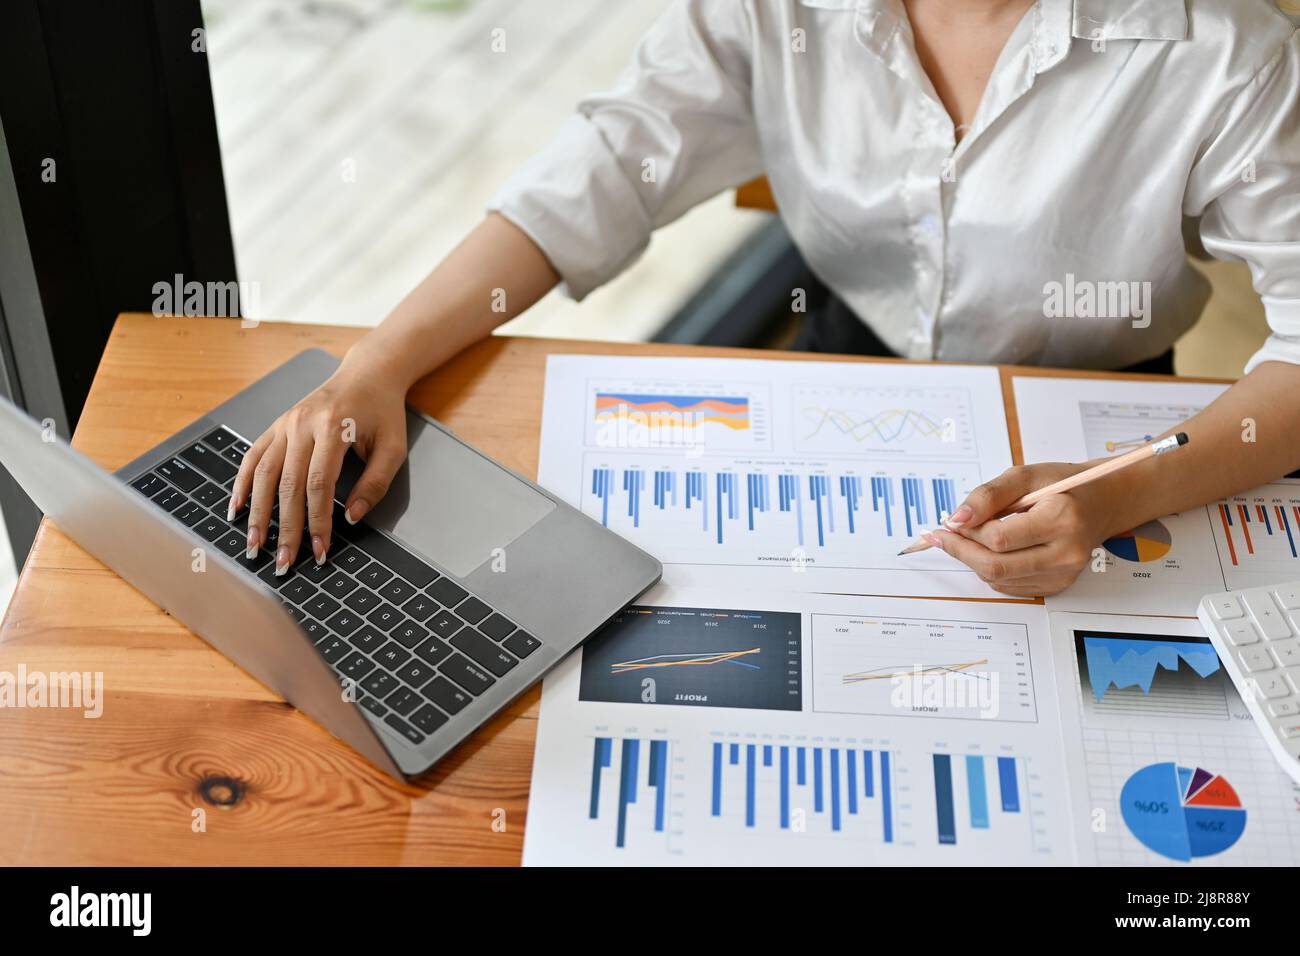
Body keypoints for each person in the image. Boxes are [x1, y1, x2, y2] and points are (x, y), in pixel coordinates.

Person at [230, 0, 1300, 597]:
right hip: (842, 360)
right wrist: (376, 364)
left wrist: (1117, 489)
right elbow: (605, 168)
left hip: (1099, 417)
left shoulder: (1227, 50)